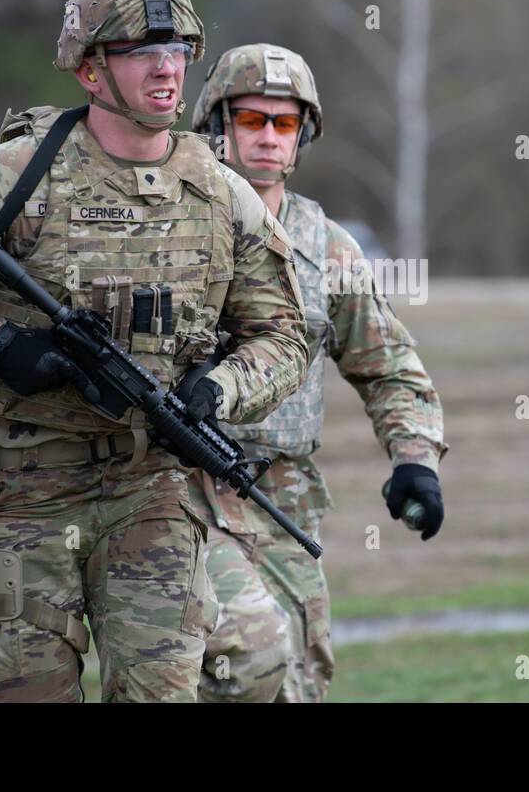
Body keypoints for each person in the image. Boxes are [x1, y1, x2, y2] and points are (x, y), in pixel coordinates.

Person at [0, 0, 309, 702]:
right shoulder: (8, 177)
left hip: (153, 488)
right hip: (23, 491)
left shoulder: (223, 193)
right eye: (140, 50)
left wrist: (219, 389)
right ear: (91, 69)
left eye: (181, 49)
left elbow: (284, 336)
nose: (168, 68)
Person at [187, 43, 447, 701]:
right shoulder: (174, 229)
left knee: (299, 682)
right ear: (217, 125)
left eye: (285, 124)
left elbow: (388, 364)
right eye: (253, 121)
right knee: (240, 660)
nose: (270, 138)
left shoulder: (326, 245)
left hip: (283, 496)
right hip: (180, 489)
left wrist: (414, 457)